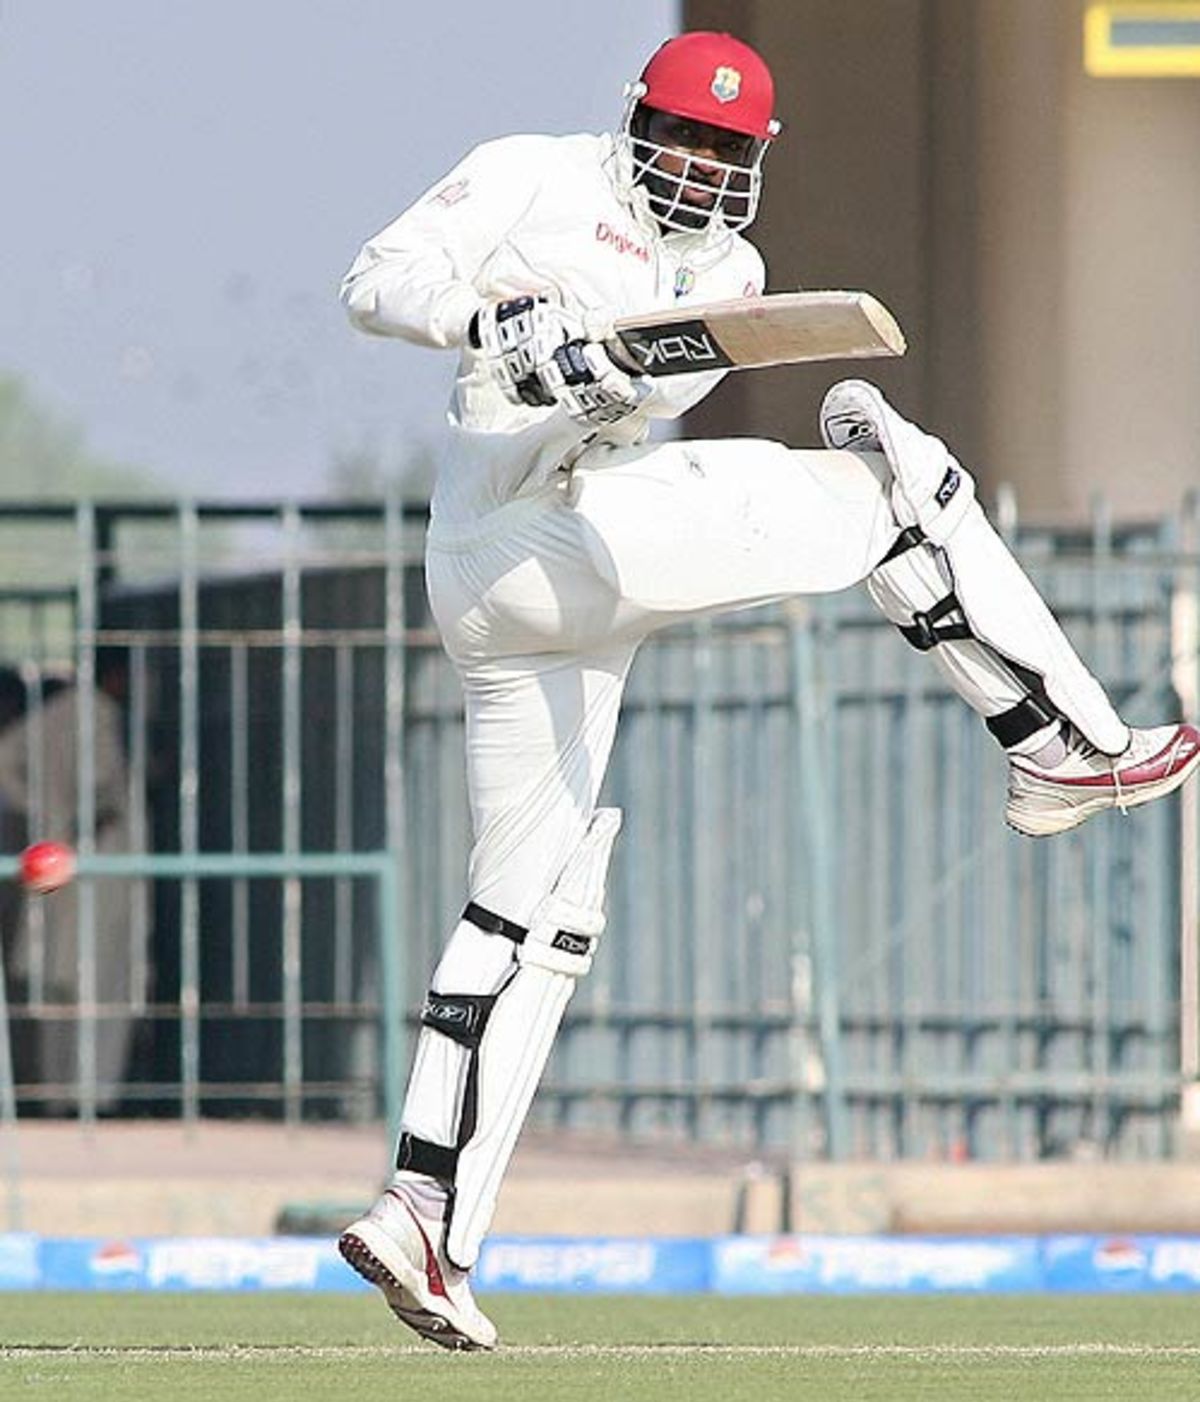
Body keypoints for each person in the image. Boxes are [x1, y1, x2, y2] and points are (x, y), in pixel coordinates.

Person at [336, 30, 1200, 1349]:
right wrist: (488, 320)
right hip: (511, 539)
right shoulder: (532, 177)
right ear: (636, 123)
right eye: (683, 137)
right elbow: (374, 281)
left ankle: (425, 1214)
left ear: (754, 163)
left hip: (571, 566)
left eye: (727, 149)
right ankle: (1059, 740)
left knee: (533, 905)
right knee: (880, 469)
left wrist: (591, 377)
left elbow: (647, 388)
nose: (699, 164)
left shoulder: (730, 270)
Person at [0, 648, 143, 1112]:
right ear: (118, 676)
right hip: (95, 876)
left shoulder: (50, 717)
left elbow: (6, 762)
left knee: (48, 985)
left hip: (50, 867)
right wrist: (81, 827)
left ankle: (52, 1094)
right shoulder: (96, 717)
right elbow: (103, 792)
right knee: (99, 989)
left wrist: (40, 819)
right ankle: (92, 1097)